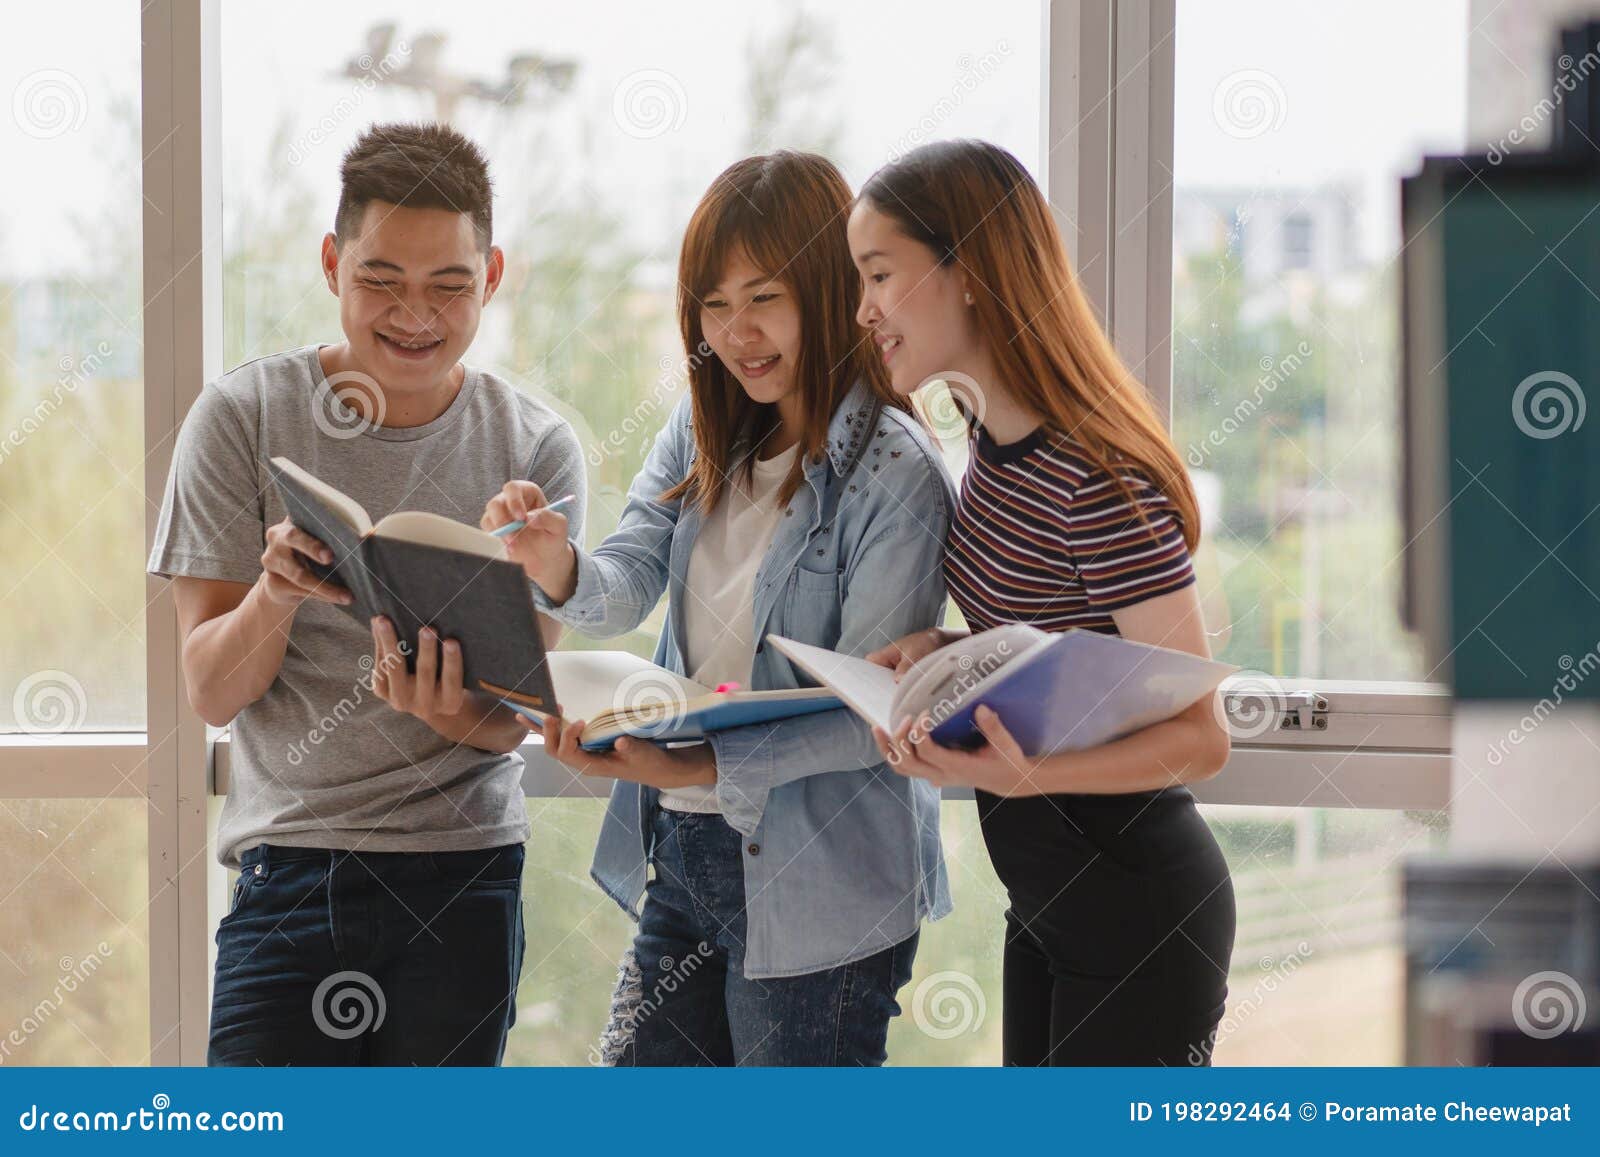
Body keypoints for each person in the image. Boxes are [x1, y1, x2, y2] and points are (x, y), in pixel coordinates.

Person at [489, 151, 953, 1066]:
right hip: (684, 851)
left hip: (821, 884)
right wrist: (555, 562)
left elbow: (871, 716)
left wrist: (694, 762)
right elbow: (626, 579)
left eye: (765, 297)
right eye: (713, 304)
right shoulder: (702, 428)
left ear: (829, 289)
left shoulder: (896, 474)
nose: (738, 332)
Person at [147, 121, 586, 1065]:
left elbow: (514, 718)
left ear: (492, 276)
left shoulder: (535, 450)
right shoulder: (241, 417)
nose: (414, 314)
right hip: (288, 869)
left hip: (464, 873)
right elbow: (211, 690)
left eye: (449, 285)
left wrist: (448, 710)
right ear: (330, 264)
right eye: (381, 279)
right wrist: (274, 594)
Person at [851, 139, 1236, 1066]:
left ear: (969, 272)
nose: (863, 310)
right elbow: (1057, 644)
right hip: (1050, 902)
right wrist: (942, 648)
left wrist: (1030, 777)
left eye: (880, 275)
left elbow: (1202, 735)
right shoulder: (990, 449)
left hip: (1139, 912)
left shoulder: (1095, 479)